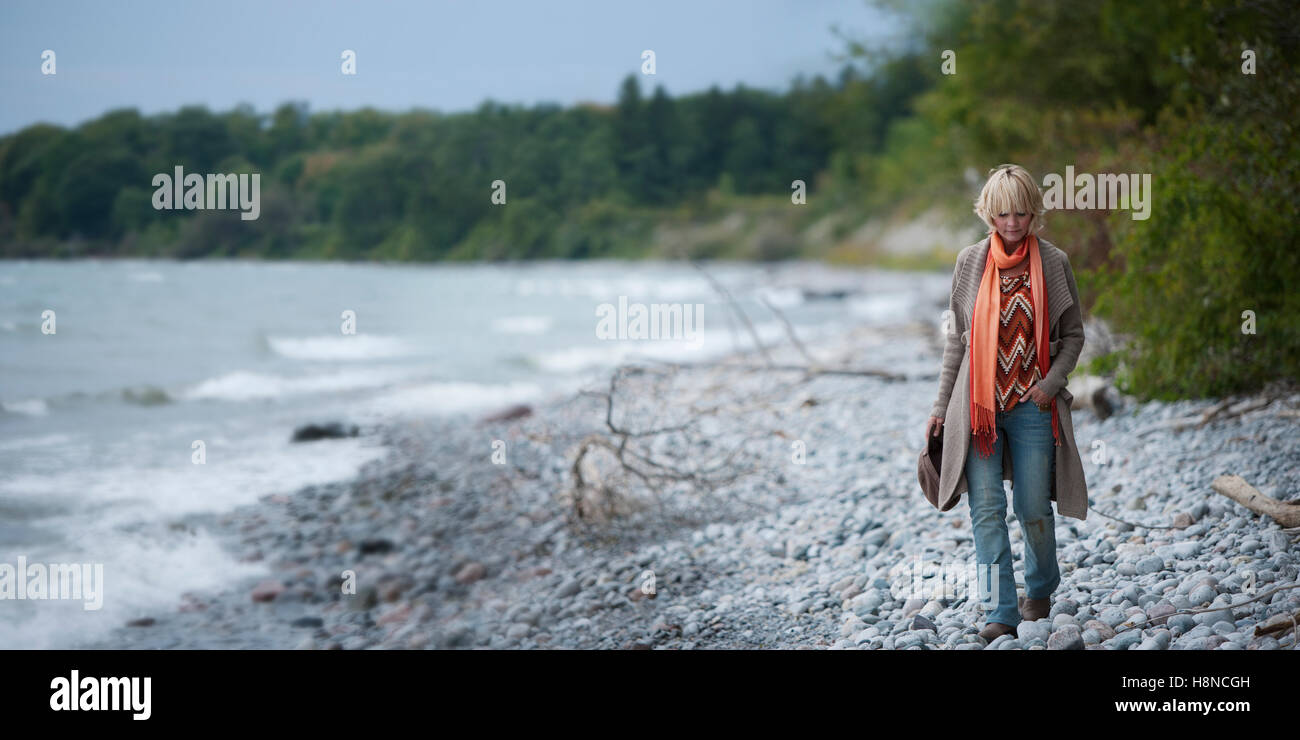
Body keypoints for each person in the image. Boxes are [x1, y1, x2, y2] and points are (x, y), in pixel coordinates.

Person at [925, 164, 1088, 643]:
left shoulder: (1054, 263)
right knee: (986, 508)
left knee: (1033, 505)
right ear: (987, 214)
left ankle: (1039, 590)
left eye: (1021, 213)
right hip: (976, 409)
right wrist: (939, 407)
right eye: (1002, 214)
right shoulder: (970, 262)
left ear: (1033, 212)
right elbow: (956, 341)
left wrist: (1051, 383)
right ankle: (1001, 611)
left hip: (1034, 407)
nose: (1012, 223)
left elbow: (1074, 335)